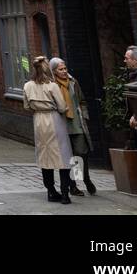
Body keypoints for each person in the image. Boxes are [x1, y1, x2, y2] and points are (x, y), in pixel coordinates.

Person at [23, 56, 74, 204]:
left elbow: (26, 106)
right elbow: (62, 106)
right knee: (63, 157)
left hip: (38, 121)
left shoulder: (28, 86)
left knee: (45, 158)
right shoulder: (52, 86)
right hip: (54, 120)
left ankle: (51, 191)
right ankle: (65, 194)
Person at [50, 57, 97, 195]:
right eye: (60, 69)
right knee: (67, 157)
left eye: (65, 68)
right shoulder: (51, 85)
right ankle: (73, 185)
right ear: (54, 71)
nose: (64, 71)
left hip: (76, 123)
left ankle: (85, 179)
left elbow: (81, 100)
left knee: (81, 154)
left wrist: (84, 115)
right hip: (61, 124)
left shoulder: (73, 82)